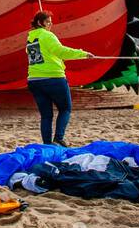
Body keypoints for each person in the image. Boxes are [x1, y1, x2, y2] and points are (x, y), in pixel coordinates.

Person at [25, 10, 92, 146]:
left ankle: (47, 145)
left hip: (34, 80)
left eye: (51, 22)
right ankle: (59, 138)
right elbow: (61, 51)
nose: (50, 24)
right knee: (65, 108)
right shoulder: (47, 36)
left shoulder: (30, 39)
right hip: (53, 78)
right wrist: (82, 54)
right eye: (47, 22)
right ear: (40, 23)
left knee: (46, 115)